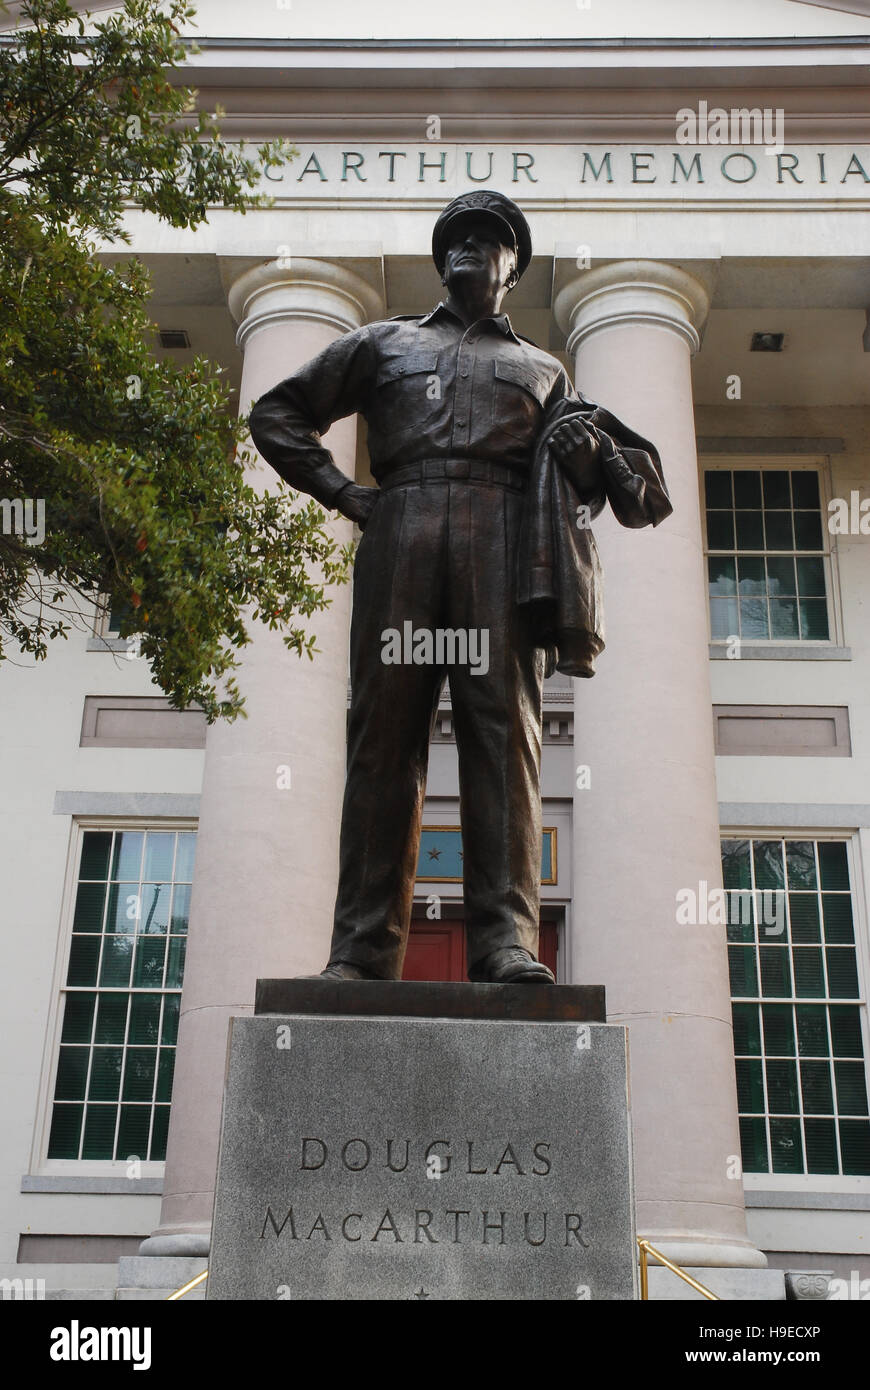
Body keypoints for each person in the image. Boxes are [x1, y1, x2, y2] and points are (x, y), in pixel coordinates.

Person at [249, 190, 669, 984]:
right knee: (383, 740)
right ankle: (362, 953)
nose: (470, 248)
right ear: (440, 260)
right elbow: (277, 414)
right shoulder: (381, 343)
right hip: (401, 529)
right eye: (457, 239)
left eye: (490, 239)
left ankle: (505, 944)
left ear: (514, 267)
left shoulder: (543, 369)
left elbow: (595, 483)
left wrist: (583, 449)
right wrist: (345, 494)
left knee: (504, 739)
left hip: (502, 540)